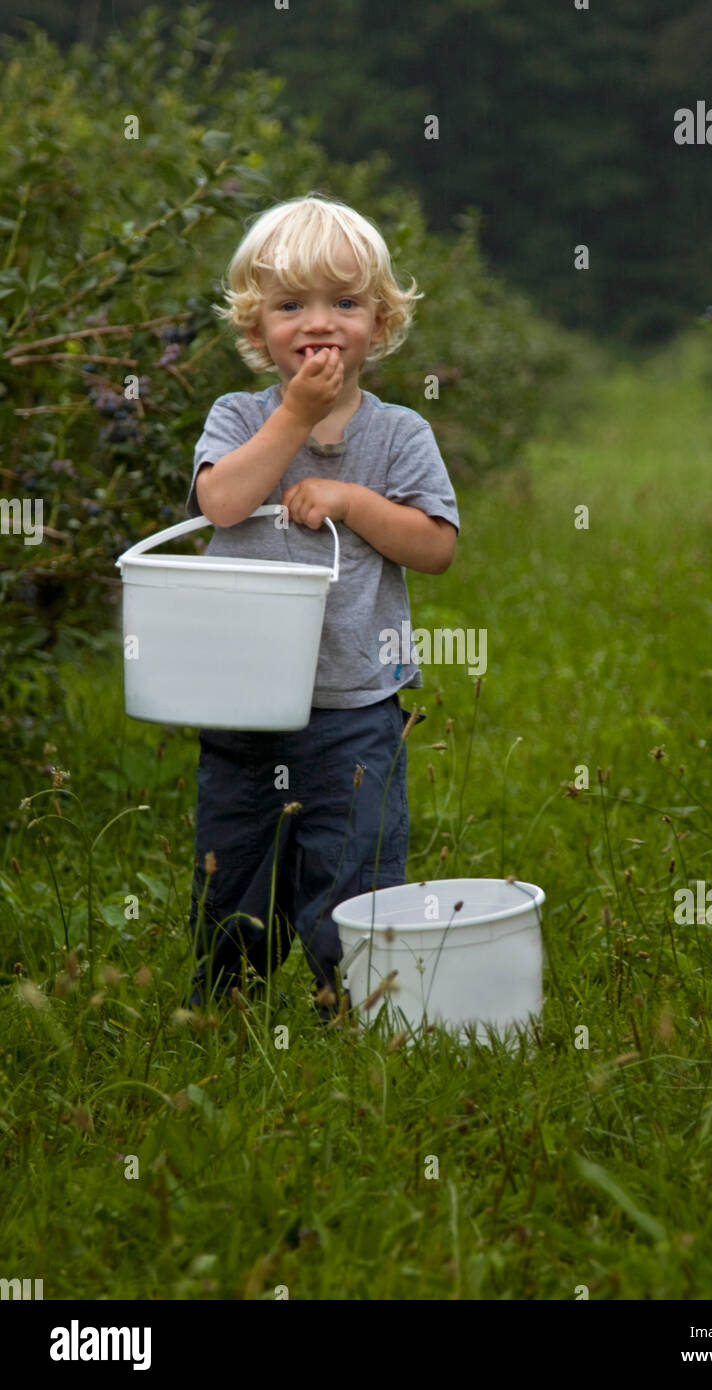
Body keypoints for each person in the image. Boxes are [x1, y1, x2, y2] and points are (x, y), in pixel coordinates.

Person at [185, 192, 460, 1021]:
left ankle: (356, 998)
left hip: (354, 705)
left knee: (355, 863)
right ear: (255, 325)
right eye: (291, 305)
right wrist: (296, 416)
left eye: (344, 304)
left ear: (379, 323)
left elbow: (435, 546)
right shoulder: (238, 418)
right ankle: (225, 1002)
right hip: (241, 705)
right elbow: (222, 502)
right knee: (235, 863)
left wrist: (349, 499)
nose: (320, 323)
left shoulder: (400, 433)